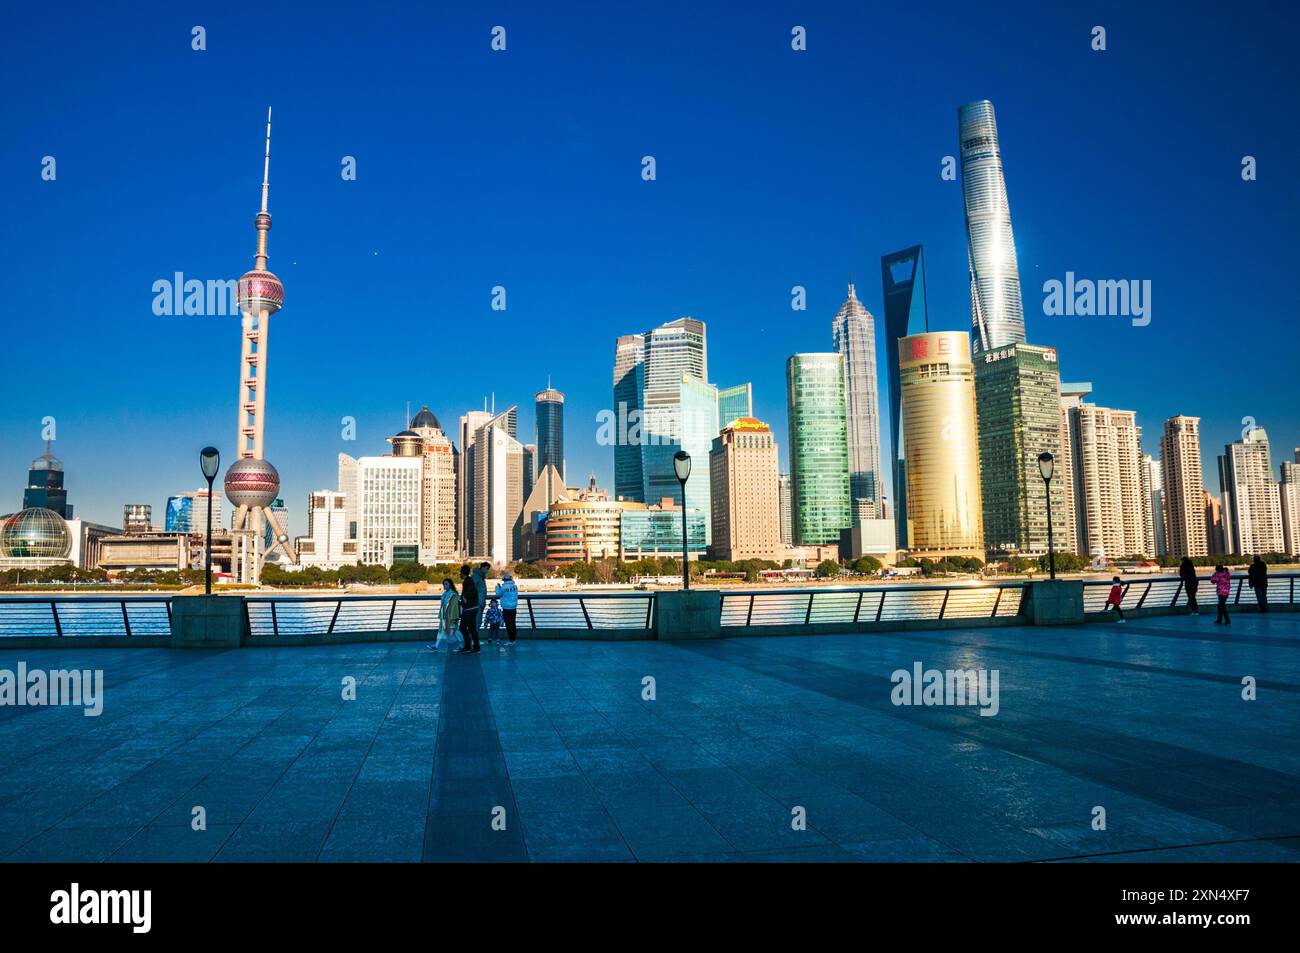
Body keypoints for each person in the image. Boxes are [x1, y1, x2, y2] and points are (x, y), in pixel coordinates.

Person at [430, 578, 461, 651]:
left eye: (446, 584)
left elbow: (454, 607)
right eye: (444, 584)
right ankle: (436, 646)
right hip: (444, 617)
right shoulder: (445, 594)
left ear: (450, 585)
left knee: (455, 631)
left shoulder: (453, 594)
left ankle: (463, 644)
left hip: (450, 617)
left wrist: (453, 618)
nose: (444, 586)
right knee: (442, 631)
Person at [456, 564, 481, 653]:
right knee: (466, 628)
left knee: (468, 628)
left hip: (470, 609)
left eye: (460, 573)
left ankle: (473, 647)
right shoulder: (468, 580)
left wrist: (465, 598)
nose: (460, 575)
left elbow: (471, 592)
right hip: (471, 608)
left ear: (463, 573)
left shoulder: (468, 581)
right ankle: (470, 646)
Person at [497, 571, 519, 646]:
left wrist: (497, 587)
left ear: (504, 580)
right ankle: (513, 639)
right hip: (513, 607)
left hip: (506, 608)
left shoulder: (503, 587)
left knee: (508, 624)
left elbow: (498, 594)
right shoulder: (515, 586)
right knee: (513, 623)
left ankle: (511, 640)